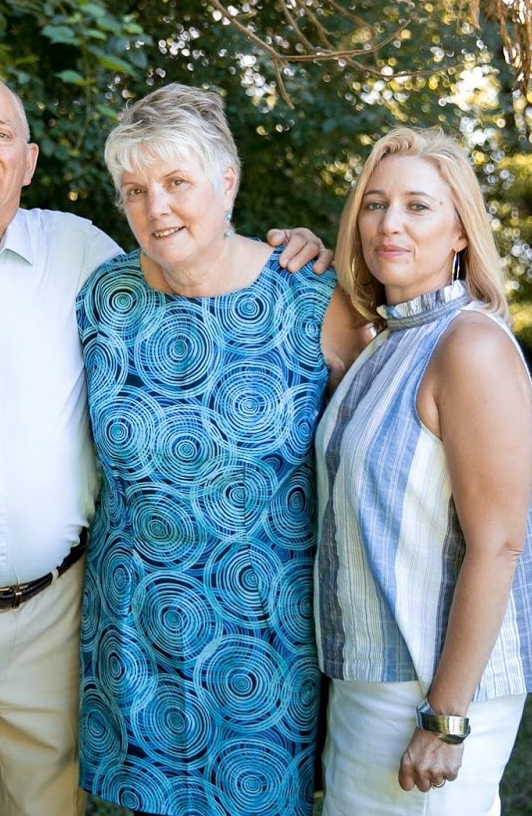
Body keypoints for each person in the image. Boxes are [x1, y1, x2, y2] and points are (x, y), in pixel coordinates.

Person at [0, 71, 329, 815]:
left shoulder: (84, 256)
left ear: (29, 163)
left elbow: (202, 264)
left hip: (56, 612)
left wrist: (295, 247)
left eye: (1, 133)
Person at [74, 83, 371, 816]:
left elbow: (373, 456)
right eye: (135, 190)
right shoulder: (102, 297)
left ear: (228, 181)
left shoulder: (312, 299)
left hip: (265, 644)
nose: (156, 208)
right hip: (134, 636)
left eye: (178, 182)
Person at [312, 126, 532, 814]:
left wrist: (445, 717)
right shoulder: (390, 341)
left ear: (461, 231)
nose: (388, 223)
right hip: (370, 679)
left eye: (417, 206)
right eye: (373, 204)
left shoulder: (469, 344)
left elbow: (500, 544)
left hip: (431, 690)